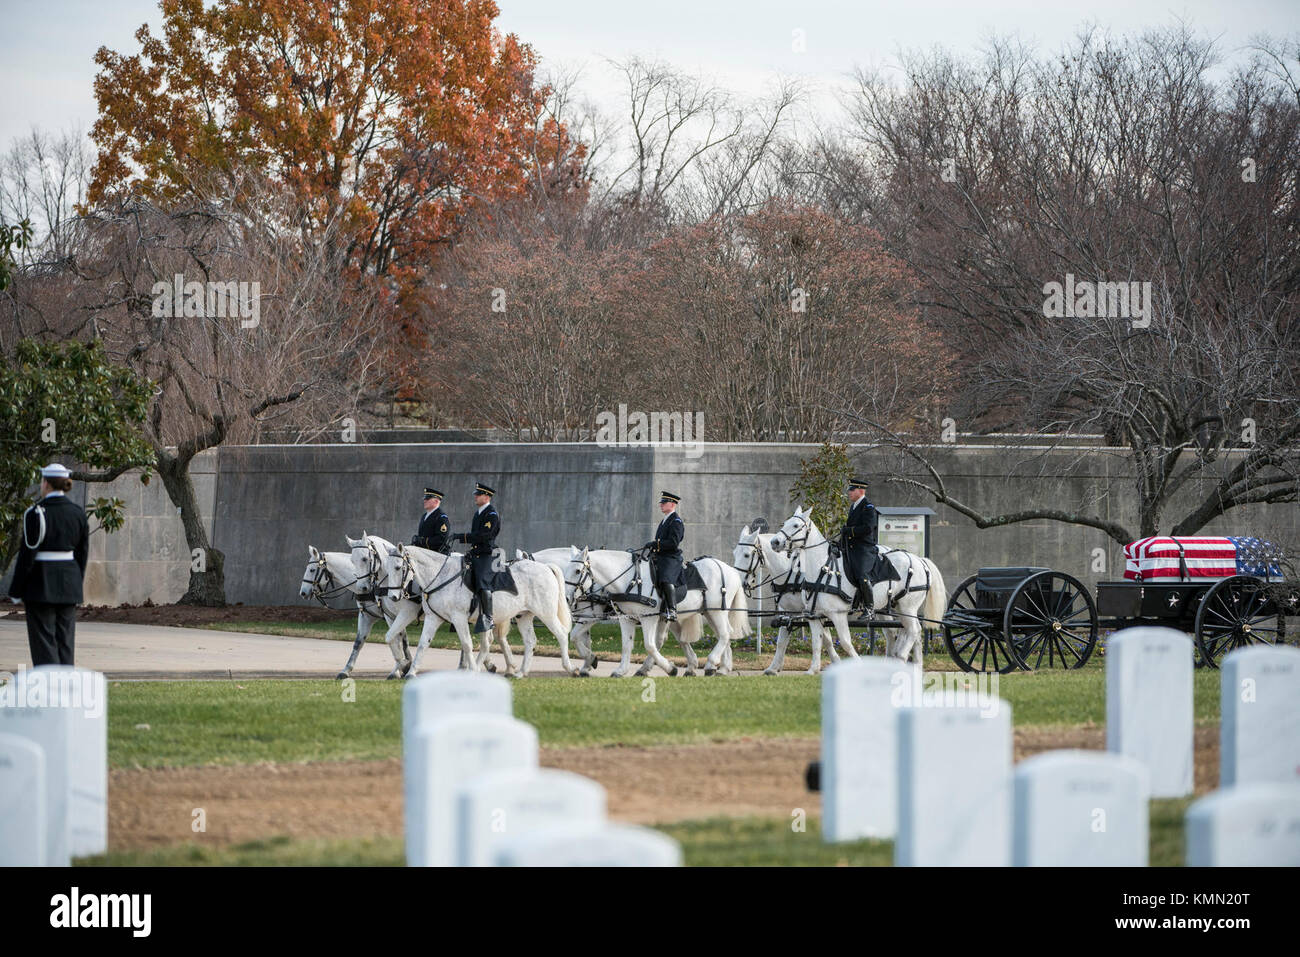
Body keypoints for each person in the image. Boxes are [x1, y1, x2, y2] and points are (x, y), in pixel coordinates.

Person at [8, 463, 90, 666]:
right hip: (69, 583)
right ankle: (65, 684)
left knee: (43, 639)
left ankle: (48, 684)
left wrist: (16, 590)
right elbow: (82, 553)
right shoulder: (77, 513)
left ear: (46, 483)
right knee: (65, 640)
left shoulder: (35, 513)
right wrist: (76, 581)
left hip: (40, 583)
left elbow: (27, 556)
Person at [451, 482, 499, 634]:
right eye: (475, 494)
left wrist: (462, 536)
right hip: (476, 553)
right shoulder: (478, 513)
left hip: (487, 554)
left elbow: (485, 536)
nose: (475, 497)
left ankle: (488, 618)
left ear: (486, 497)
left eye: (478, 495)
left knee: (483, 583)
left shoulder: (491, 514)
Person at [645, 491, 685, 621]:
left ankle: (672, 609)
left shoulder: (676, 521)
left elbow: (673, 543)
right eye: (661, 503)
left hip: (670, 557)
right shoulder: (664, 520)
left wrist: (656, 543)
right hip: (660, 556)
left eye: (664, 503)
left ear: (672, 504)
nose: (661, 505)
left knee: (666, 578)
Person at [839, 476, 879, 595]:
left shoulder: (868, 507)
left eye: (852, 489)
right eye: (849, 490)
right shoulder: (854, 506)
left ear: (861, 491)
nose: (849, 492)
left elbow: (868, 528)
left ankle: (869, 609)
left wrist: (849, 530)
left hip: (864, 548)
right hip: (852, 548)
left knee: (862, 575)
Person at [411, 487, 451, 554]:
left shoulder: (441, 517)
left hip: (437, 555)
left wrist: (423, 541)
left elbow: (441, 540)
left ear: (436, 501)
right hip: (424, 553)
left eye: (428, 498)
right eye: (425, 498)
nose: (424, 500)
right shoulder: (424, 516)